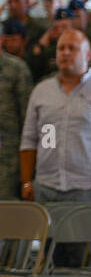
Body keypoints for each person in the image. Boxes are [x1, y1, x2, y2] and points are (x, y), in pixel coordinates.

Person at [18, 29, 91, 204]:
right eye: (61, 48)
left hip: (87, 189)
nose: (66, 53)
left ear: (87, 55)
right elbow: (29, 139)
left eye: (73, 48)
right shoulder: (42, 91)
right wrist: (26, 182)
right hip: (45, 187)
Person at [0, 24, 34, 198]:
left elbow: (28, 118)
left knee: (6, 212)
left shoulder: (16, 69)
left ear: (1, 40)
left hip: (7, 158)